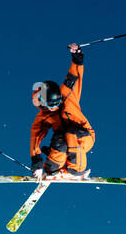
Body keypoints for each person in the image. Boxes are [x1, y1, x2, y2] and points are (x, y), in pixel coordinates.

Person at [30, 43, 94, 178]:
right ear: (44, 104)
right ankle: (52, 169)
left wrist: (77, 55)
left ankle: (77, 170)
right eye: (52, 105)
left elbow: (75, 74)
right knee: (60, 139)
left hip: (84, 136)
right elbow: (36, 138)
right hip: (64, 140)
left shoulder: (67, 93)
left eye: (58, 102)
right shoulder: (43, 116)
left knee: (70, 131)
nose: (56, 106)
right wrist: (37, 163)